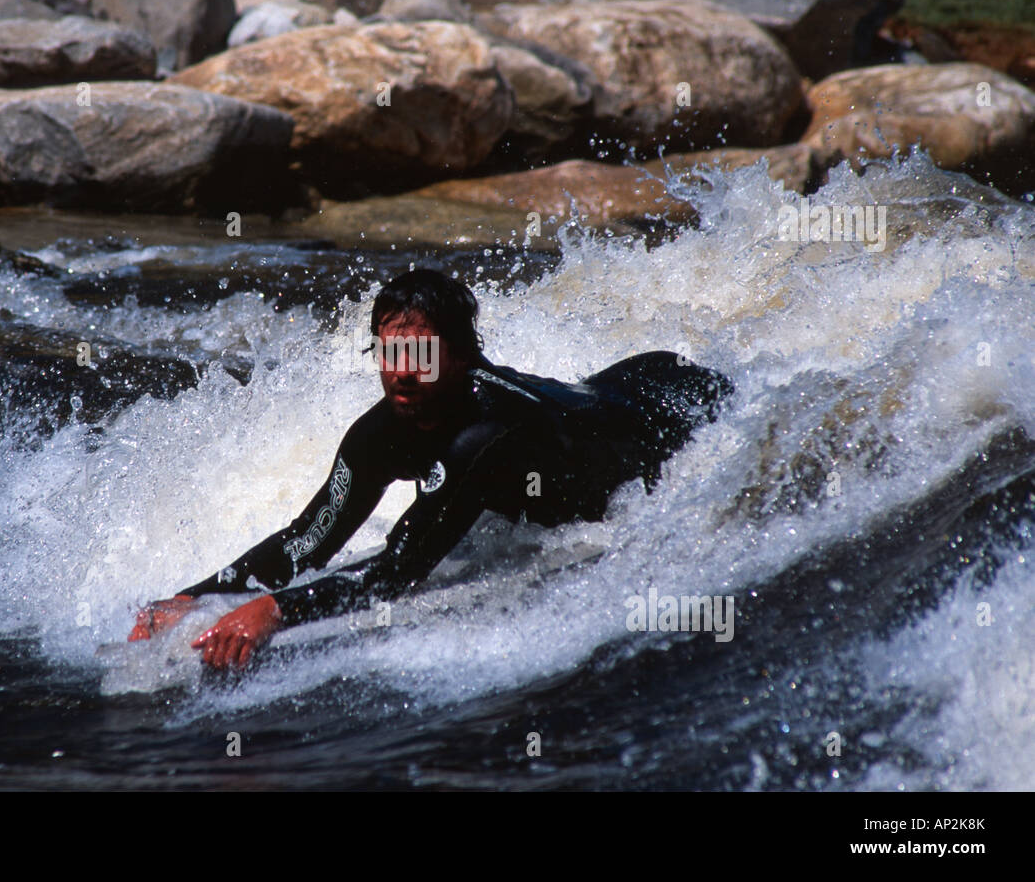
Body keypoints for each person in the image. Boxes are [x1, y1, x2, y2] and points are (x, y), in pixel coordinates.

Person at [128, 269, 733, 669]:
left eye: (419, 354)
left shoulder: (485, 434)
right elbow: (307, 540)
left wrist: (275, 611)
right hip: (612, 387)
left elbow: (399, 570)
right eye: (388, 354)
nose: (401, 372)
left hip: (671, 411)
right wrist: (193, 596)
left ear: (461, 356)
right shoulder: (382, 430)